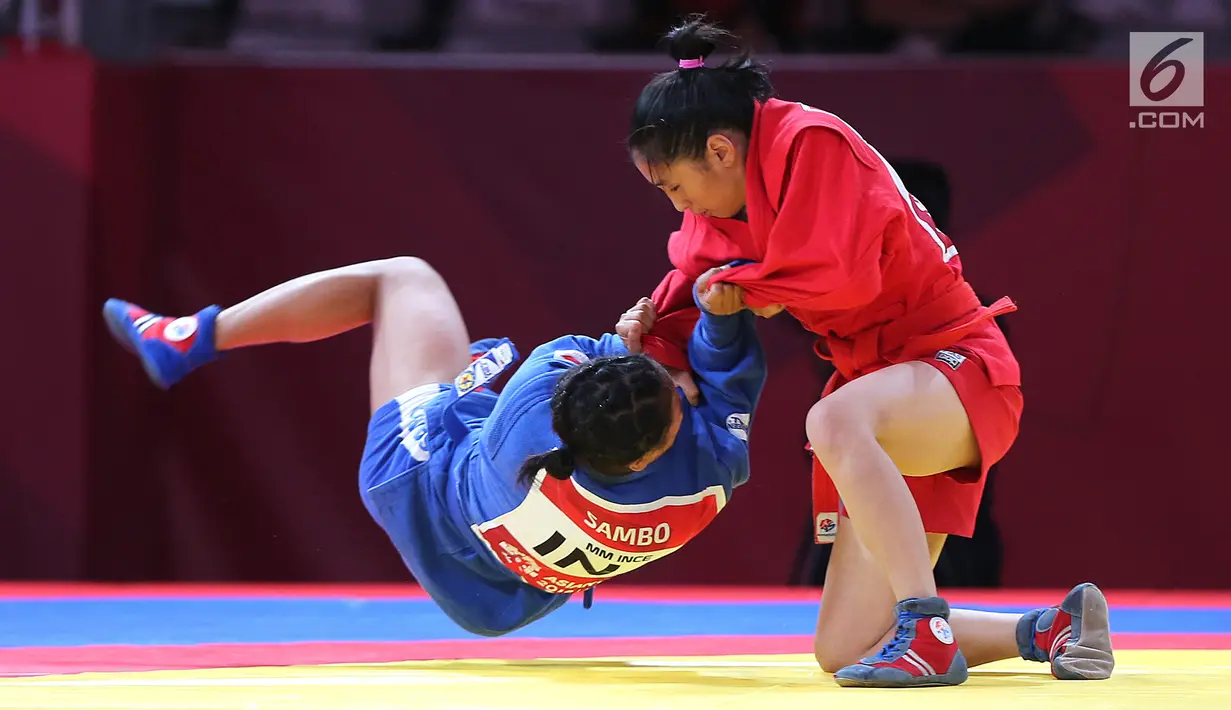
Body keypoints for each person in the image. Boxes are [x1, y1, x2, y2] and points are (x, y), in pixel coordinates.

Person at [616, 17, 1114, 688]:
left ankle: (927, 627)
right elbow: (691, 282)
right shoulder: (724, 205)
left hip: (957, 370)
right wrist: (651, 331)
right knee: (846, 646)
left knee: (831, 422)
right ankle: (1053, 629)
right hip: (885, 401)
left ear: (720, 151)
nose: (676, 205)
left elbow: (842, 273)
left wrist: (742, 287)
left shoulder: (811, 143)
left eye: (674, 186)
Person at [101, 256, 767, 636]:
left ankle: (188, 337)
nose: (684, 385)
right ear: (651, 456)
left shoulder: (539, 400)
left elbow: (607, 353)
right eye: (677, 390)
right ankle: (456, 380)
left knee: (402, 280)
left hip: (418, 490)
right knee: (463, 381)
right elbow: (732, 378)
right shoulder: (712, 472)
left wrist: (627, 341)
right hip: (499, 601)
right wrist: (718, 322)